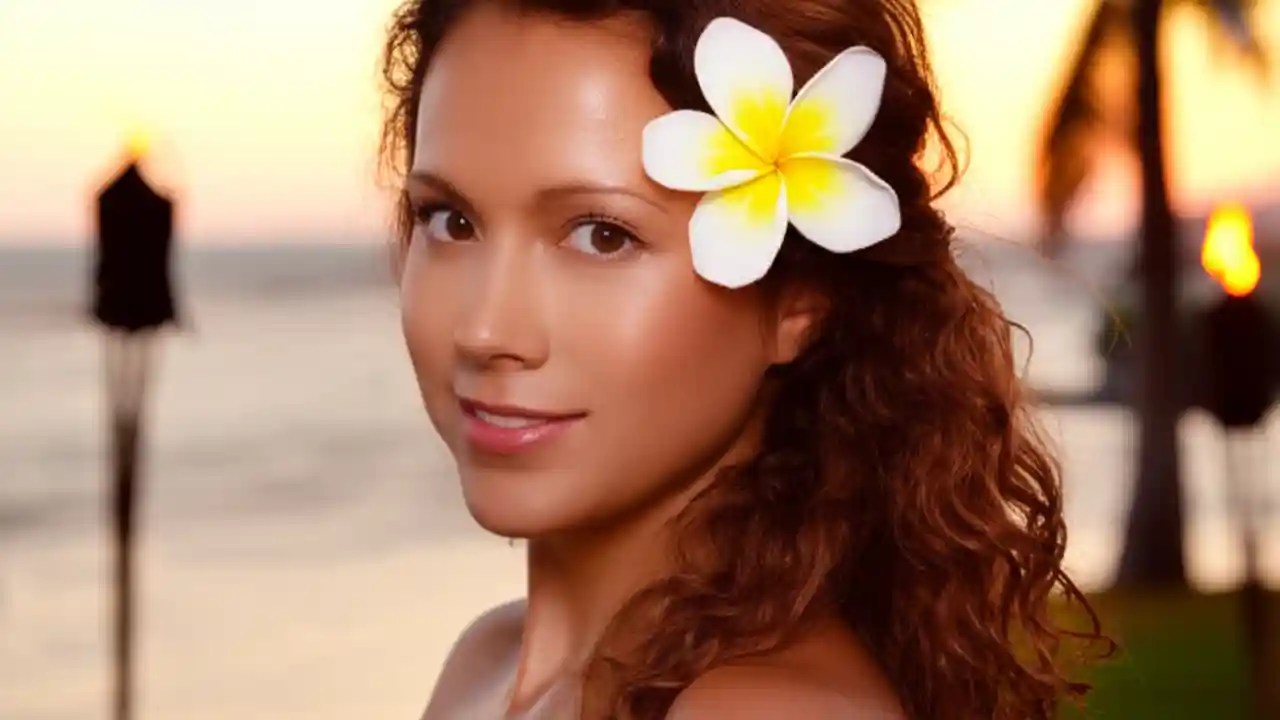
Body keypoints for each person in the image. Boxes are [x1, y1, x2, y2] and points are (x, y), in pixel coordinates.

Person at [381, 1, 1108, 718]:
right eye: (450, 220)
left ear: (799, 301)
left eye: (602, 236)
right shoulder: (485, 666)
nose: (484, 329)